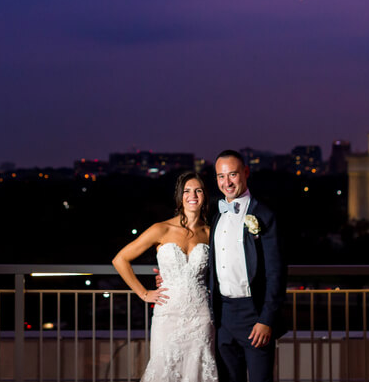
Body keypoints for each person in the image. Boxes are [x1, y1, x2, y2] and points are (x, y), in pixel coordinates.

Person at [112, 171, 218, 382]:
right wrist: (143, 293)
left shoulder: (210, 233)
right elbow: (120, 259)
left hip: (201, 314)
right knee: (164, 369)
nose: (193, 195)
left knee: (198, 370)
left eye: (198, 190)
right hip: (167, 313)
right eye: (187, 191)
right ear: (180, 197)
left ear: (205, 195)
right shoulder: (161, 229)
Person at [208, 150, 286, 382]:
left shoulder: (264, 216)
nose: (227, 182)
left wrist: (266, 320)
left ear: (245, 172)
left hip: (254, 315)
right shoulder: (217, 217)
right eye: (221, 177)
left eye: (232, 174)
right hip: (222, 317)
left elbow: (276, 272)